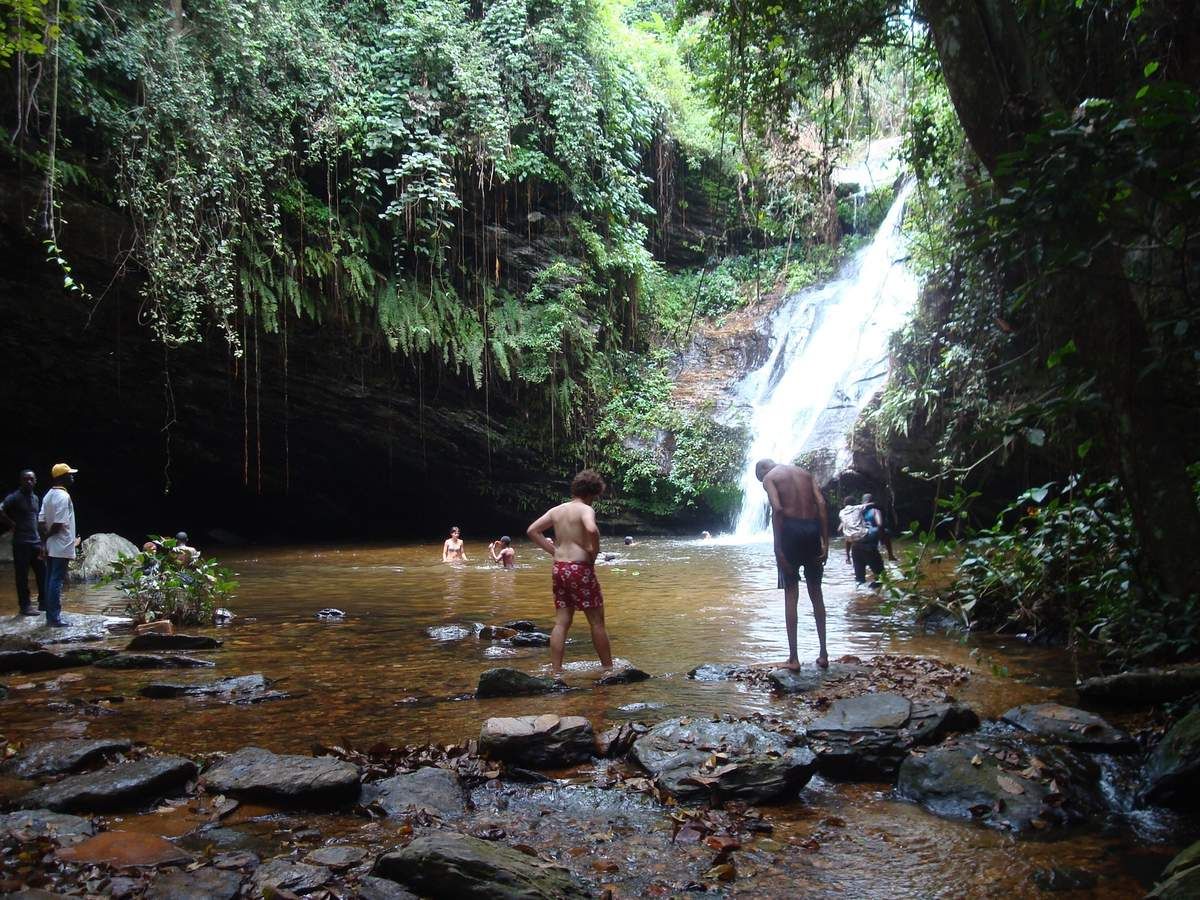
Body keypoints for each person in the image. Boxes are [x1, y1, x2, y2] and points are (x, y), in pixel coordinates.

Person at [526, 469, 613, 674]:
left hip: (560, 568)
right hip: (580, 568)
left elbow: (532, 531)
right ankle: (609, 668)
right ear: (593, 493)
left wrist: (553, 552)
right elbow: (591, 530)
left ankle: (557, 670)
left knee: (562, 621)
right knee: (597, 622)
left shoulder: (557, 510)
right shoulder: (585, 510)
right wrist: (593, 552)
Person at [756, 458, 829, 670]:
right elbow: (822, 504)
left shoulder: (770, 477)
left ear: (762, 471)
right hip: (812, 530)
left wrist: (777, 548)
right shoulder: (805, 474)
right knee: (816, 592)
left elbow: (777, 509)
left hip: (790, 533)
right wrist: (825, 541)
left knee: (791, 594)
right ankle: (824, 654)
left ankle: (793, 659)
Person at [37, 463, 79, 627]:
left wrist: (44, 541)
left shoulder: (48, 495)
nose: (72, 477)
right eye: (69, 474)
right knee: (56, 581)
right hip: (62, 544)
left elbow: (41, 520)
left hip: (51, 545)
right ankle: (54, 618)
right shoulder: (63, 497)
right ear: (61, 478)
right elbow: (59, 524)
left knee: (49, 579)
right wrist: (47, 537)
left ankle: (50, 615)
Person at [1, 470, 45, 616]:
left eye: (31, 479)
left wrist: (42, 541)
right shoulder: (15, 497)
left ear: (35, 481)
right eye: (25, 479)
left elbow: (37, 519)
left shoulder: (35, 498)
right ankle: (25, 606)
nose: (29, 482)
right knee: (22, 576)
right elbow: (0, 509)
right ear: (20, 481)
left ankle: (43, 603)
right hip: (21, 542)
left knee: (42, 574)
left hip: (35, 541)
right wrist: (11, 523)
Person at [847, 493, 890, 587]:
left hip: (855, 548)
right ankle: (877, 597)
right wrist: (882, 539)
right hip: (869, 547)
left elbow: (846, 531)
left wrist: (847, 555)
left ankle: (860, 597)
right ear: (872, 501)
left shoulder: (855, 512)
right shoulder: (875, 511)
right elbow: (880, 525)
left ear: (862, 502)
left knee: (859, 580)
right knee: (881, 578)